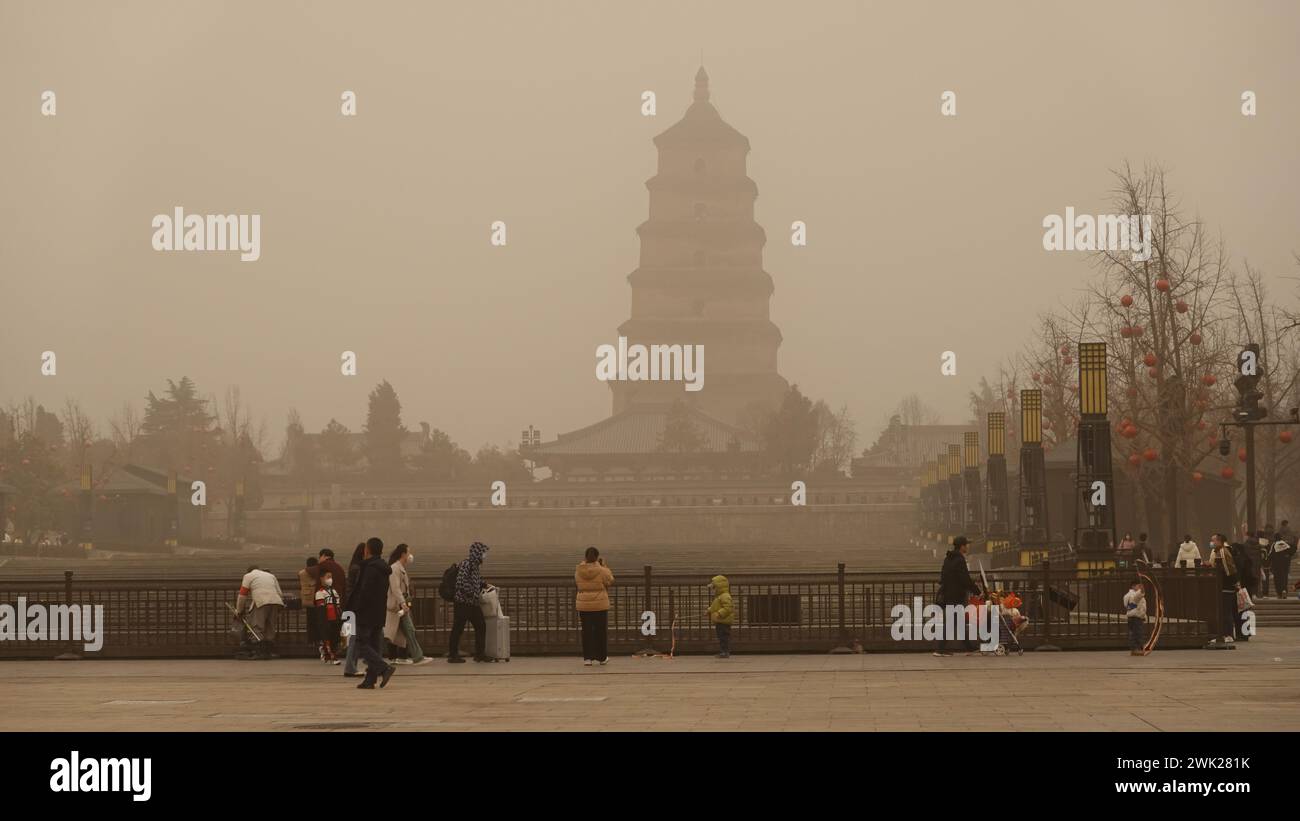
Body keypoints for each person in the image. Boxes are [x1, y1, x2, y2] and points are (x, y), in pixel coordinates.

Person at [350, 537, 396, 689]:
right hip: (378, 611)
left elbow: (365, 591)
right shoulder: (382, 567)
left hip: (366, 612)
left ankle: (383, 668)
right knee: (374, 645)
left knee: (361, 643)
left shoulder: (369, 568)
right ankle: (370, 680)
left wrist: (356, 608)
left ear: (367, 550)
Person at [385, 543, 431, 665]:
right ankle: (418, 656)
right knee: (407, 630)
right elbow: (395, 588)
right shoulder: (395, 568)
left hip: (401, 605)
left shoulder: (400, 568)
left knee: (404, 631)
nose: (410, 555)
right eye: (408, 552)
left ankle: (416, 656)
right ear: (403, 554)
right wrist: (403, 602)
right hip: (398, 606)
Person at [935, 535, 981, 656]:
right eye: (966, 545)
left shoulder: (948, 559)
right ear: (962, 546)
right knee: (953, 622)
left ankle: (968, 647)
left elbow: (943, 577)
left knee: (958, 622)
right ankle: (940, 649)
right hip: (957, 596)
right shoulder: (960, 560)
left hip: (949, 594)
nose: (967, 547)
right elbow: (965, 579)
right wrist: (978, 591)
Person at [448, 541, 491, 663]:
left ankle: (480, 654)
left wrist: (482, 584)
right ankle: (453, 655)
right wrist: (473, 593)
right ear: (477, 553)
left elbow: (473, 581)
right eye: (483, 553)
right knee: (458, 628)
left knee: (480, 625)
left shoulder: (475, 565)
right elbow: (461, 582)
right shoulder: (467, 564)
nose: (484, 555)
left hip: (472, 603)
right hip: (463, 602)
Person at [235, 565, 285, 660]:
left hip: (261, 602)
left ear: (249, 571)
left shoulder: (248, 576)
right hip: (276, 601)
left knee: (257, 626)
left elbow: (242, 595)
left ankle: (259, 651)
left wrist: (239, 610)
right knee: (270, 626)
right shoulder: (270, 576)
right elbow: (279, 592)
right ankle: (269, 651)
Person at [575, 546, 614, 666]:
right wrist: (604, 566)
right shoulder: (601, 570)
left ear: (585, 557)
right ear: (597, 557)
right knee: (600, 631)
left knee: (586, 632)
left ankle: (587, 658)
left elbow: (577, 583)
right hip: (600, 604)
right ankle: (602, 657)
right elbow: (610, 580)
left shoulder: (579, 570)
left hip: (584, 604)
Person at [341, 542, 368, 678]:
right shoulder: (358, 568)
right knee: (354, 638)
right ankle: (350, 667)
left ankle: (351, 667)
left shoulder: (354, 567)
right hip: (355, 607)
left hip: (351, 607)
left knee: (354, 637)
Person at [1207, 533, 1240, 643]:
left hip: (1226, 586)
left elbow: (1229, 569)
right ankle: (1222, 634)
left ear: (1219, 541)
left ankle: (1228, 634)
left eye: (1214, 540)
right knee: (1223, 612)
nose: (1212, 543)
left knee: (1226, 612)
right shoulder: (1217, 551)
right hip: (1223, 586)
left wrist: (1235, 583)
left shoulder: (1222, 552)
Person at [315, 568, 343, 664]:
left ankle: (328, 652)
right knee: (328, 637)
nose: (330, 579)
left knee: (335, 637)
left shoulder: (334, 591)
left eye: (331, 577)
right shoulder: (320, 593)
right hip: (327, 618)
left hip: (336, 617)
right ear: (322, 579)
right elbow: (321, 609)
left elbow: (338, 605)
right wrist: (323, 621)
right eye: (328, 577)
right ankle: (332, 656)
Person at [298, 556, 323, 659]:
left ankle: (311, 641)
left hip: (308, 598)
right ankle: (320, 640)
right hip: (319, 598)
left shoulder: (302, 573)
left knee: (310, 620)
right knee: (320, 620)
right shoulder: (320, 572)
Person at [706, 575, 734, 658]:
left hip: (724, 621)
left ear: (719, 586)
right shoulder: (719, 596)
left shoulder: (725, 596)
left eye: (714, 587)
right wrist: (709, 610)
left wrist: (719, 613)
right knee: (721, 637)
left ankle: (725, 652)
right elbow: (715, 607)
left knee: (724, 637)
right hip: (720, 621)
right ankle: (723, 651)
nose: (713, 589)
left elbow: (728, 607)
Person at [1268, 522, 1295, 599]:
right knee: (1284, 578)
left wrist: (1268, 563)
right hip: (1285, 565)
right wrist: (1288, 557)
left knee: (1277, 579)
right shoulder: (1285, 544)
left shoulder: (1274, 545)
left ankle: (1279, 593)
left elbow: (1270, 555)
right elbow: (1291, 551)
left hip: (1276, 566)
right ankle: (1284, 590)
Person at [1123, 580, 1147, 656]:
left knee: (1134, 633)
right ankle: (1137, 649)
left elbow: (1133, 604)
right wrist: (1141, 591)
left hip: (1133, 616)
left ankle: (1136, 649)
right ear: (1133, 586)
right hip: (1135, 617)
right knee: (1137, 633)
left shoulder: (1128, 595)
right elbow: (1136, 598)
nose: (1139, 587)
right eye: (1138, 586)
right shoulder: (1132, 594)